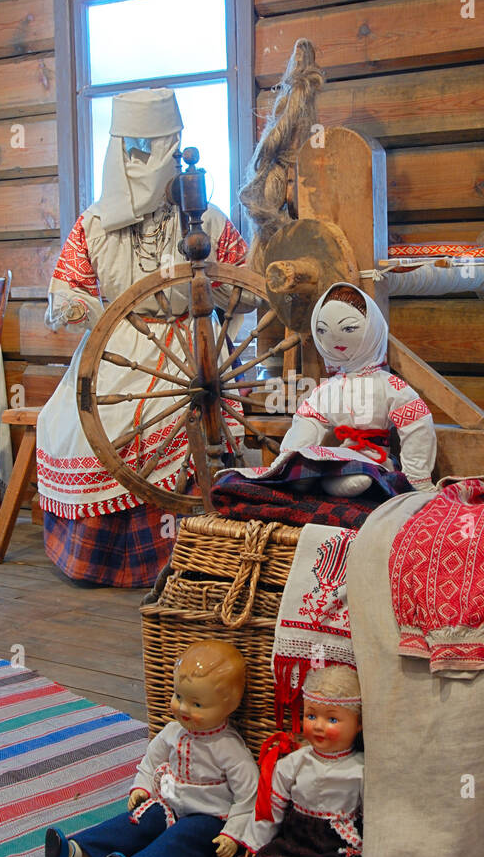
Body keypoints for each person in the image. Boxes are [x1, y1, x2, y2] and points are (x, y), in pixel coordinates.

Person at [36, 87, 249, 585]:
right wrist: (75, 305)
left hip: (184, 346)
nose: (143, 161)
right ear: (117, 148)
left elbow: (244, 286)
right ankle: (108, 558)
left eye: (152, 149)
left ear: (174, 147)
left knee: (182, 409)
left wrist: (213, 289)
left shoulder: (207, 218)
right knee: (85, 419)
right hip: (114, 347)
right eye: (133, 148)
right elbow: (67, 288)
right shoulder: (93, 224)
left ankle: (194, 552)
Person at [44, 640, 258, 857]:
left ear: (228, 706)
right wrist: (142, 787)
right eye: (178, 697)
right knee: (135, 822)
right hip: (168, 802)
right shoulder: (172, 732)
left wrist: (233, 833)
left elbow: (248, 795)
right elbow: (151, 761)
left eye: (197, 705)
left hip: (209, 815)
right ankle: (75, 852)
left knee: (180, 841)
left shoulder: (229, 748)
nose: (183, 708)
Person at [221, 282, 436, 499]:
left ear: (373, 328)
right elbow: (307, 422)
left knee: (362, 476)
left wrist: (417, 478)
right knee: (309, 464)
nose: (336, 339)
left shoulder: (391, 386)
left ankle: (321, 480)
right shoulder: (328, 389)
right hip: (343, 455)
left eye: (349, 329)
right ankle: (305, 476)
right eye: (322, 331)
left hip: (376, 459)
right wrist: (287, 458)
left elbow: (417, 425)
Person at [217, 665, 365, 857]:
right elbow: (272, 804)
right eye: (311, 716)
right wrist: (257, 842)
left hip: (337, 847)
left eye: (332, 718)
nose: (319, 726)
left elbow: (374, 815)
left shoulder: (362, 770)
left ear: (358, 724)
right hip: (296, 840)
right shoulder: (293, 762)